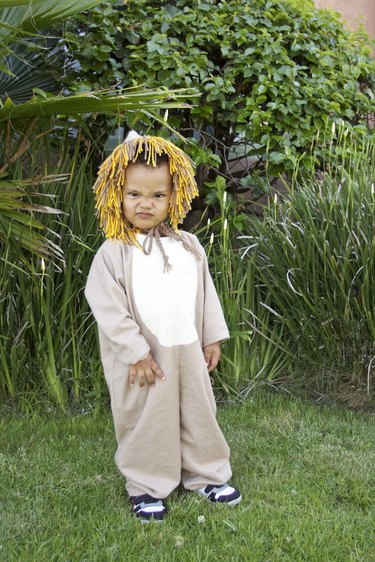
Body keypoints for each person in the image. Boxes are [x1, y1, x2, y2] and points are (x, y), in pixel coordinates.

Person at [85, 131, 241, 522]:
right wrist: (135, 352)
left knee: (199, 411)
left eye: (158, 196)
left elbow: (206, 294)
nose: (145, 204)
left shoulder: (188, 245)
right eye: (135, 194)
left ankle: (206, 473)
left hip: (187, 350)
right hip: (143, 360)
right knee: (145, 418)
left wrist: (211, 338)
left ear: (175, 196)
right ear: (116, 194)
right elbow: (107, 307)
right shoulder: (114, 252)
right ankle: (146, 484)